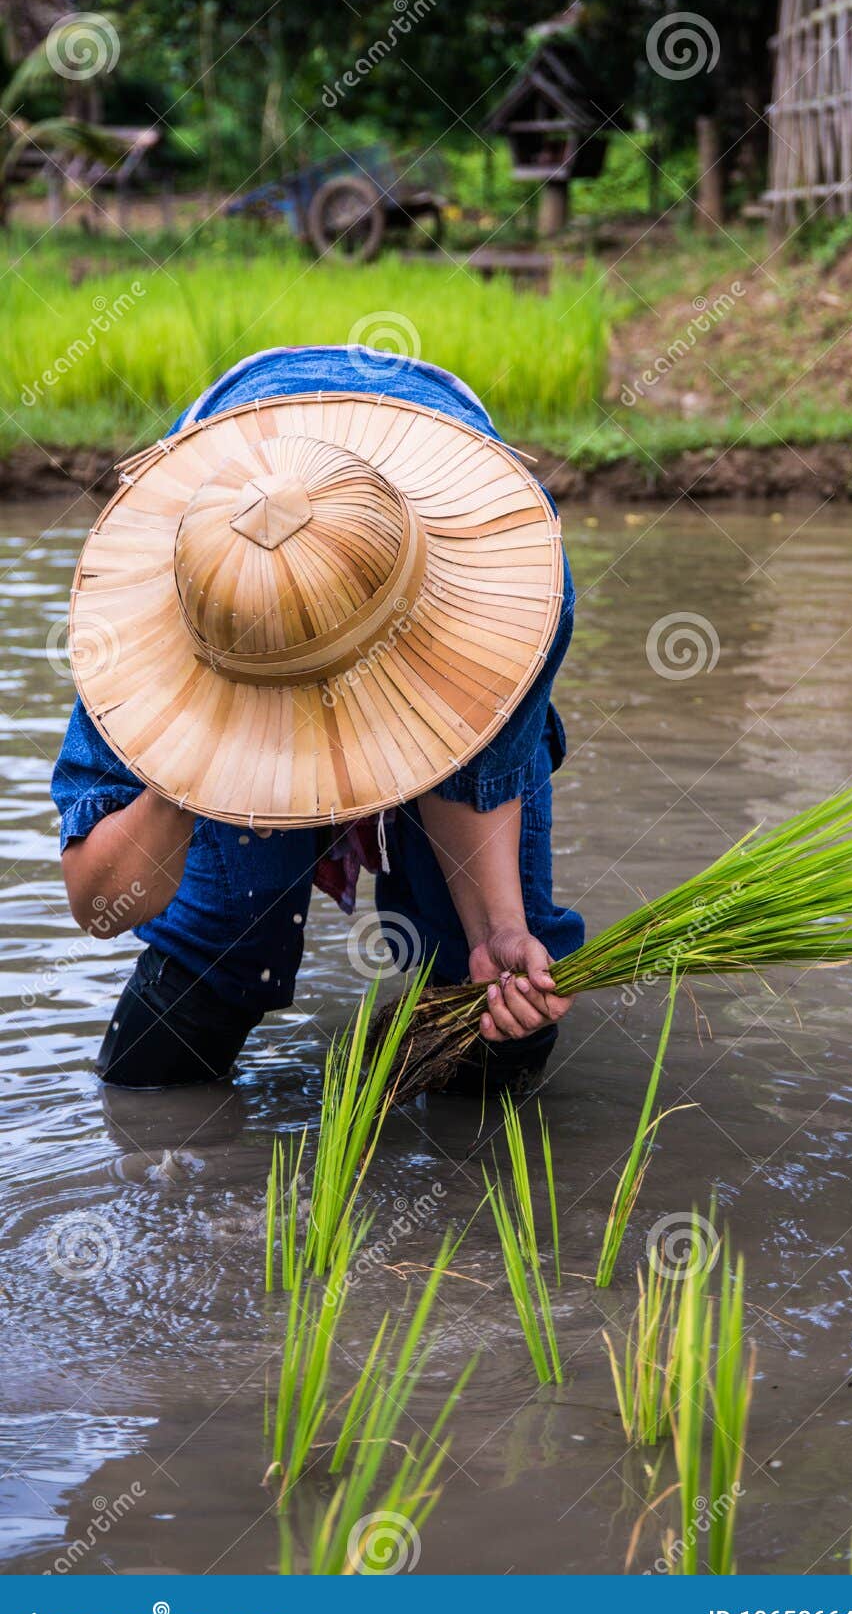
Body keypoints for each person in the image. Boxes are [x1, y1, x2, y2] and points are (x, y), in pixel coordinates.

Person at [51, 345, 584, 1094]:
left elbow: (477, 769)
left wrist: (495, 928)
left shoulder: (514, 598)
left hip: (422, 557)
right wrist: (184, 768)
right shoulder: (161, 608)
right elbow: (99, 905)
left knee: (489, 1002)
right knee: (218, 950)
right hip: (235, 551)